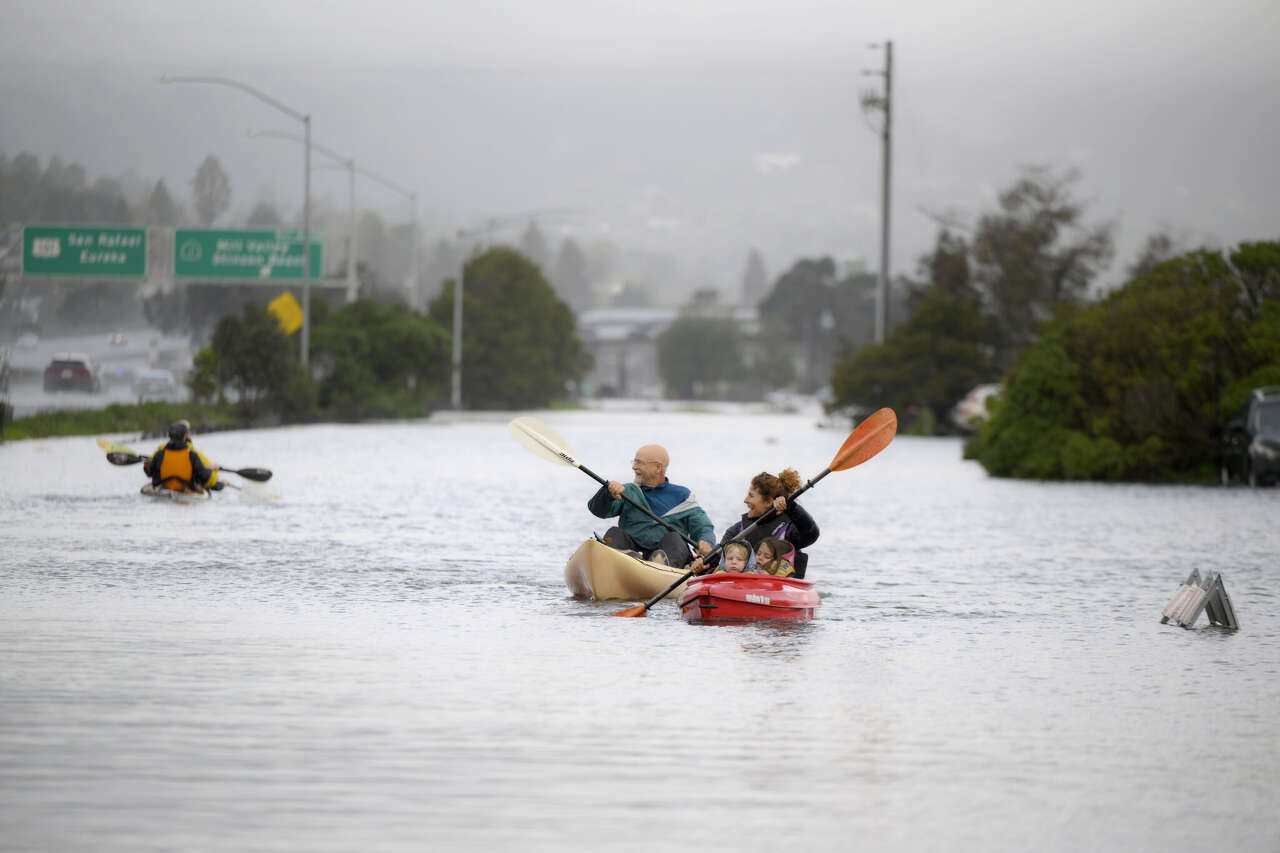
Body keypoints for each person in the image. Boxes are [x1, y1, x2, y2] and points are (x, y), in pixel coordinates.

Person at [588, 443, 714, 568]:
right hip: (631, 552)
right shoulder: (627, 491)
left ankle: (658, 566)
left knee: (675, 538)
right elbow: (597, 510)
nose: (634, 467)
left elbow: (703, 528)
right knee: (615, 533)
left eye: (639, 463)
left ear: (658, 467)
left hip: (668, 555)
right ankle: (628, 560)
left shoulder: (682, 496)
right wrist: (607, 493)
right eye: (634, 462)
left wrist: (706, 543)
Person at [696, 468, 819, 578]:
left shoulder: (789, 529)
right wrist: (703, 561)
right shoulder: (737, 530)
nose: (745, 500)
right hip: (741, 588)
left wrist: (791, 506)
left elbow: (811, 533)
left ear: (768, 502)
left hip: (778, 588)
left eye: (751, 496)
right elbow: (719, 558)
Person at [142, 420, 222, 494]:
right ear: (186, 436)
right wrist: (212, 470)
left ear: (169, 435)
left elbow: (149, 472)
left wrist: (147, 463)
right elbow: (205, 478)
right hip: (185, 493)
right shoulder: (192, 455)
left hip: (163, 491)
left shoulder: (159, 454)